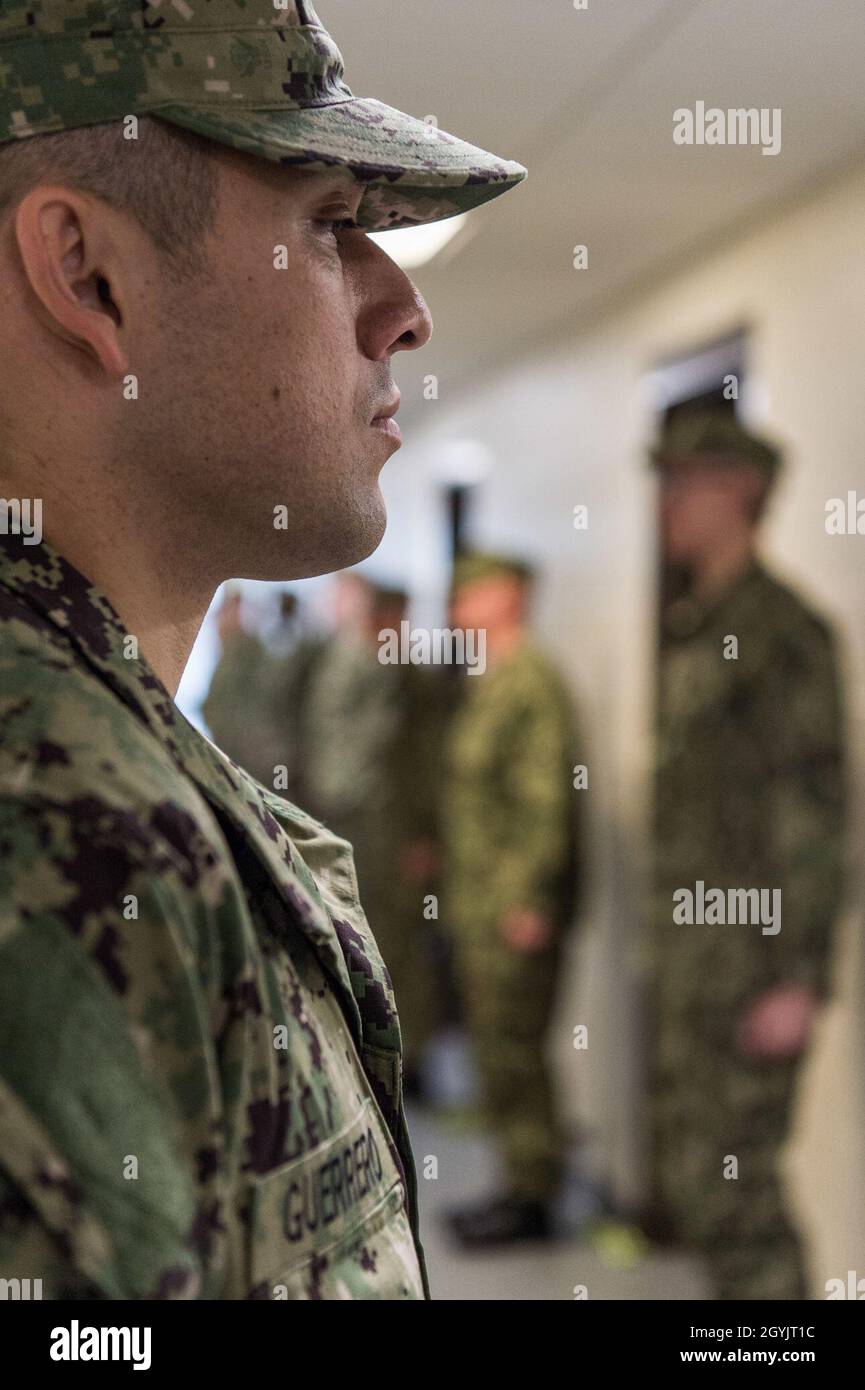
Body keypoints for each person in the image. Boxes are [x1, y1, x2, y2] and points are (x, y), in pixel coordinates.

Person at [0, 0, 525, 1299]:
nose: (404, 311)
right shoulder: (58, 815)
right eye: (331, 224)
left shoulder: (112, 749)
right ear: (89, 275)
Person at [647, 411, 846, 1300]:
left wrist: (797, 978)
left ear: (740, 489)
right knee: (703, 1188)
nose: (666, 502)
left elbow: (814, 812)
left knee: (743, 1204)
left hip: (752, 966)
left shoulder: (785, 632)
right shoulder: (695, 623)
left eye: (684, 480)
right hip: (695, 957)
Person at [441, 553, 582, 1247]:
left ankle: (533, 1197)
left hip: (510, 909)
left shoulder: (528, 681)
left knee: (516, 1052)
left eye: (472, 590)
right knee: (496, 1053)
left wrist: (528, 899)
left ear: (509, 597)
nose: (457, 601)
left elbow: (544, 800)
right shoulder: (491, 678)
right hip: (480, 902)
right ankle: (515, 1183)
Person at [202, 587, 284, 786]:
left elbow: (255, 709)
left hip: (251, 762)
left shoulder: (247, 654)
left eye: (225, 613)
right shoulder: (230, 654)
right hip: (233, 756)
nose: (218, 621)